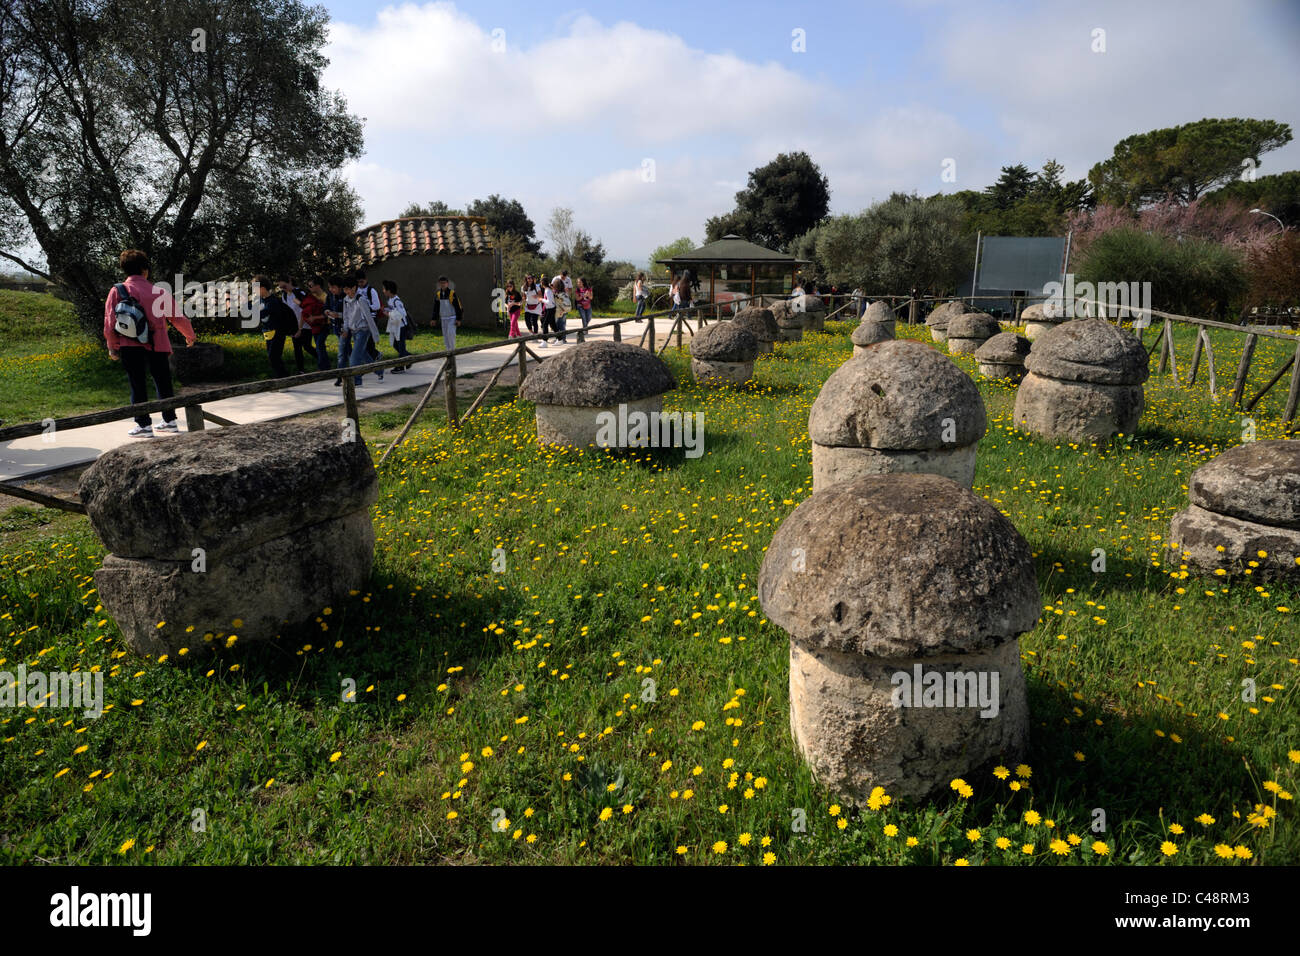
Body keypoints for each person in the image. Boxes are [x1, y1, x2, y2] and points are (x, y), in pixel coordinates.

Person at [102, 249, 196, 437]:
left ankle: (144, 425)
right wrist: (190, 335)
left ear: (125, 270)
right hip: (157, 344)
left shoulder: (117, 290)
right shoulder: (159, 291)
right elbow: (176, 317)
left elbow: (110, 322)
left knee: (137, 384)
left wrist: (112, 346)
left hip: (130, 345)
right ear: (145, 270)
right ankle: (170, 421)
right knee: (163, 382)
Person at [344, 276, 383, 387]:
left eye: (348, 289)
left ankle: (356, 380)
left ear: (354, 288)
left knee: (354, 357)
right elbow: (346, 316)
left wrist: (375, 335)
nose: (346, 291)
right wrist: (345, 328)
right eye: (344, 289)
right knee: (364, 355)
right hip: (353, 331)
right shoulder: (345, 300)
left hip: (363, 330)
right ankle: (379, 370)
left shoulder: (361, 299)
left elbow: (368, 317)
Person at [256, 275, 298, 378]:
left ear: (262, 288)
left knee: (274, 357)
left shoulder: (273, 301)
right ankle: (283, 378)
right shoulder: (261, 300)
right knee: (273, 358)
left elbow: (263, 313)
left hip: (277, 333)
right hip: (267, 332)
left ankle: (283, 379)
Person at [278, 275, 318, 372]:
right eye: (281, 288)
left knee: (307, 346)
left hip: (305, 325)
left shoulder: (300, 293)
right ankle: (301, 370)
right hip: (294, 326)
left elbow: (305, 311)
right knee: (297, 348)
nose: (284, 289)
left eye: (285, 286)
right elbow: (287, 313)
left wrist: (300, 329)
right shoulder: (284, 295)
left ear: (290, 282)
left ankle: (323, 361)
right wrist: (290, 328)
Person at [324, 275, 349, 386]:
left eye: (333, 287)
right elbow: (325, 306)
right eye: (330, 287)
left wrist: (338, 315)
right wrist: (327, 311)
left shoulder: (346, 297)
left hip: (347, 327)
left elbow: (350, 314)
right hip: (337, 327)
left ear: (340, 287)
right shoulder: (330, 296)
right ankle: (374, 368)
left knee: (341, 353)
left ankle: (340, 377)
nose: (331, 289)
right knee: (350, 351)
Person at [382, 279, 411, 371]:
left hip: (401, 327)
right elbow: (393, 311)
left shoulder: (397, 301)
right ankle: (409, 358)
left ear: (389, 290)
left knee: (401, 346)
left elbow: (403, 314)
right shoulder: (390, 300)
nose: (383, 291)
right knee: (395, 345)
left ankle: (401, 366)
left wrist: (389, 314)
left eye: (384, 289)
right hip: (395, 327)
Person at [304, 277, 332, 370]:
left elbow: (328, 314)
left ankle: (322, 368)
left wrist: (314, 317)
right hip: (315, 326)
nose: (309, 288)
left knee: (319, 345)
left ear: (318, 286)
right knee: (319, 346)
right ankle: (326, 367)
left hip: (324, 325)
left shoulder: (325, 297)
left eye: (310, 285)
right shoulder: (311, 297)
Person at [432, 275, 463, 351]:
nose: (443, 284)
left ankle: (452, 351)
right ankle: (448, 351)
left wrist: (459, 319)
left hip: (452, 318)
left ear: (447, 283)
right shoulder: (438, 294)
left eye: (444, 283)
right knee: (445, 336)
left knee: (450, 334)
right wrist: (434, 319)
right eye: (441, 283)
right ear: (439, 284)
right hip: (443, 318)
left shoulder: (452, 293)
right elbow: (436, 308)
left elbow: (458, 307)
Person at [553, 277, 571, 343]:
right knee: (562, 325)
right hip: (565, 310)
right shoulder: (564, 293)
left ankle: (561, 339)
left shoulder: (557, 294)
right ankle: (563, 338)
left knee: (558, 325)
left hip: (559, 311)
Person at [540, 278, 557, 346]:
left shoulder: (547, 291)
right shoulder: (547, 290)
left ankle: (544, 341)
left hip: (550, 309)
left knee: (545, 324)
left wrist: (542, 300)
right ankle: (560, 339)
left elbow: (549, 302)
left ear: (542, 283)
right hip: (549, 309)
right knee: (553, 324)